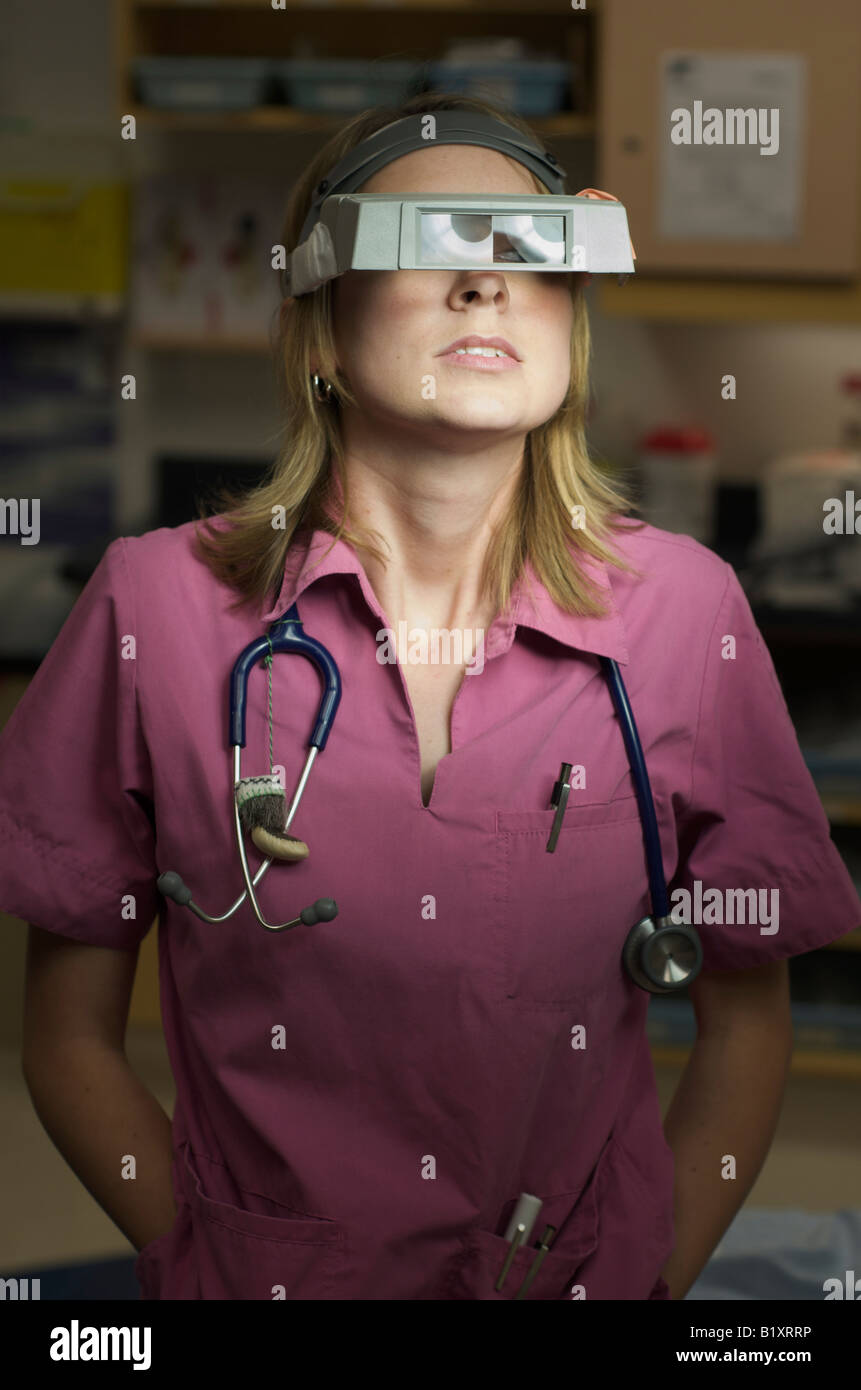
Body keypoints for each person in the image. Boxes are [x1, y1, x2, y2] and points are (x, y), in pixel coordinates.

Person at [2, 92, 859, 1302]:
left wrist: (648, 1278)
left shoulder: (688, 614)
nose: (485, 285)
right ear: (319, 326)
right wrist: (207, 1259)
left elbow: (749, 1020)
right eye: (426, 245)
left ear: (573, 322)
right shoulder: (155, 611)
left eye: (531, 252)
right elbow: (68, 1035)